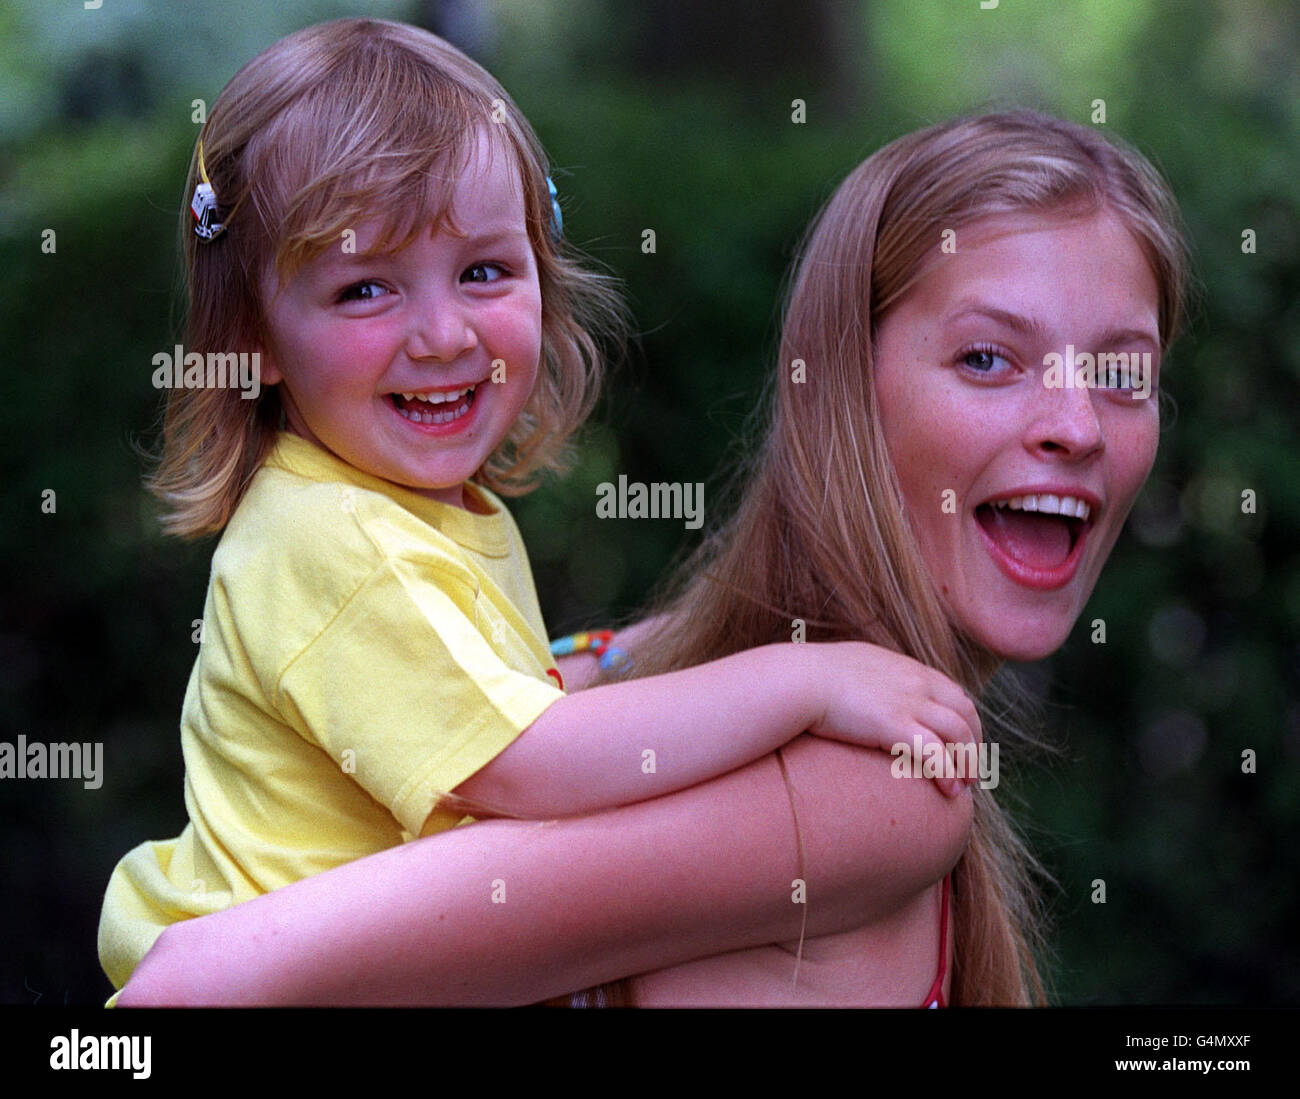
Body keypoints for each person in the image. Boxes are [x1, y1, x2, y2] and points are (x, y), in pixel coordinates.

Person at [115, 106, 1188, 1008]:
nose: (1075, 426)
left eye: (1123, 375)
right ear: (842, 395)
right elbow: (196, 976)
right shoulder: (885, 782)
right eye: (989, 358)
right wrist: (800, 675)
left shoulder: (699, 698)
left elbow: (539, 695)